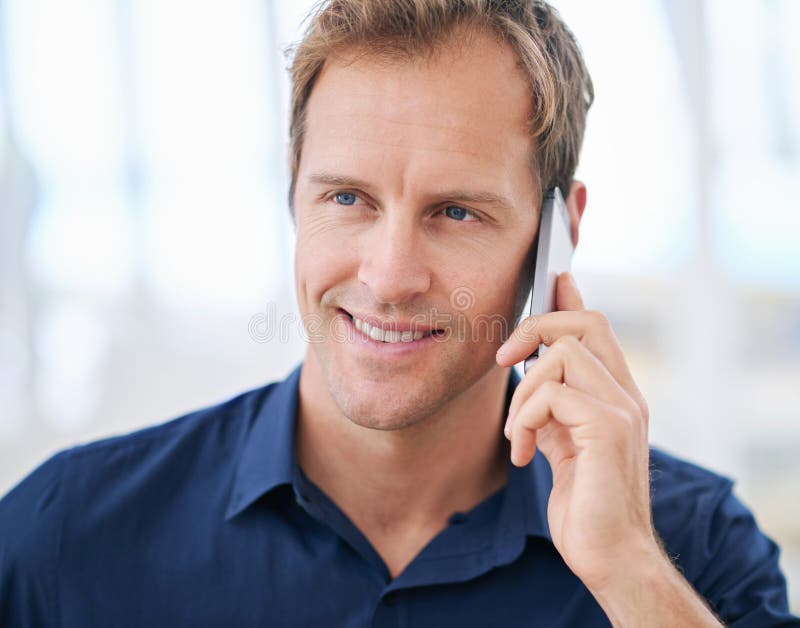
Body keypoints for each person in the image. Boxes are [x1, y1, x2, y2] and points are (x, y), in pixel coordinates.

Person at [1, 1, 797, 626]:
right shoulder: (65, 538)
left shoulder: (691, 552)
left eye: (456, 212)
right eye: (347, 198)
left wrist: (628, 572)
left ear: (559, 234)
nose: (388, 278)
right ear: (293, 190)